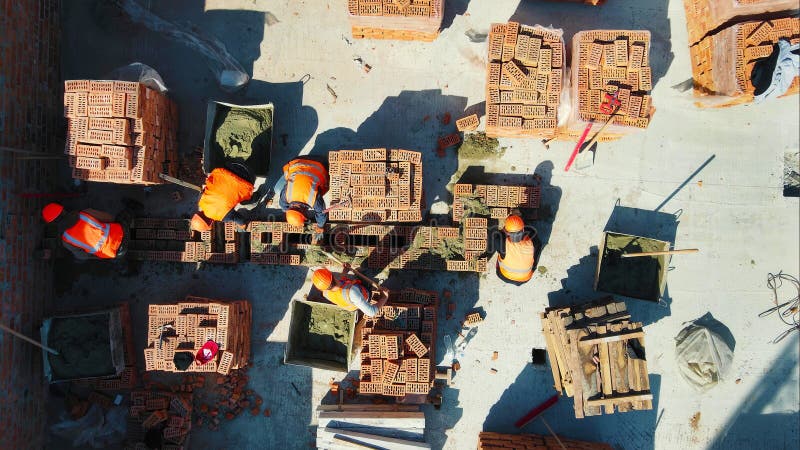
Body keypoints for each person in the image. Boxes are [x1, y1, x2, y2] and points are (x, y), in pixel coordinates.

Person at [41, 202, 129, 260]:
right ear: (63, 210)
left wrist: (96, 256)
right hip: (122, 232)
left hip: (113, 252)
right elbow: (109, 218)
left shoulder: (66, 240)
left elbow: (82, 256)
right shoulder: (85, 213)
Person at [191, 162, 255, 232]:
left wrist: (243, 226)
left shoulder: (223, 216)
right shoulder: (201, 200)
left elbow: (239, 219)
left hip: (247, 176)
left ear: (210, 223)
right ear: (198, 213)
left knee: (244, 202)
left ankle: (257, 196)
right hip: (230, 167)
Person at [277, 157, 329, 238]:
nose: (306, 214)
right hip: (297, 161)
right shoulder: (287, 196)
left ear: (302, 210)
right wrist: (290, 213)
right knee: (278, 189)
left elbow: (321, 212)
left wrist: (320, 226)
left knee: (323, 189)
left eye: (304, 214)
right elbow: (282, 204)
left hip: (319, 163)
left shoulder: (312, 199)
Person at [312, 266, 388, 317]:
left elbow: (335, 283)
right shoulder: (352, 292)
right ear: (332, 275)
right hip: (364, 294)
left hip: (350, 302)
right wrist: (384, 297)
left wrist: (344, 271)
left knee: (358, 271)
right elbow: (372, 312)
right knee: (365, 273)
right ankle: (369, 287)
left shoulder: (325, 293)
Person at [496, 214, 535, 285]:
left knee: (500, 254)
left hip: (504, 276)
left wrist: (501, 232)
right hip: (525, 279)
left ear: (506, 231)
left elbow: (497, 237)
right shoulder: (532, 242)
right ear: (523, 229)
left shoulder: (502, 242)